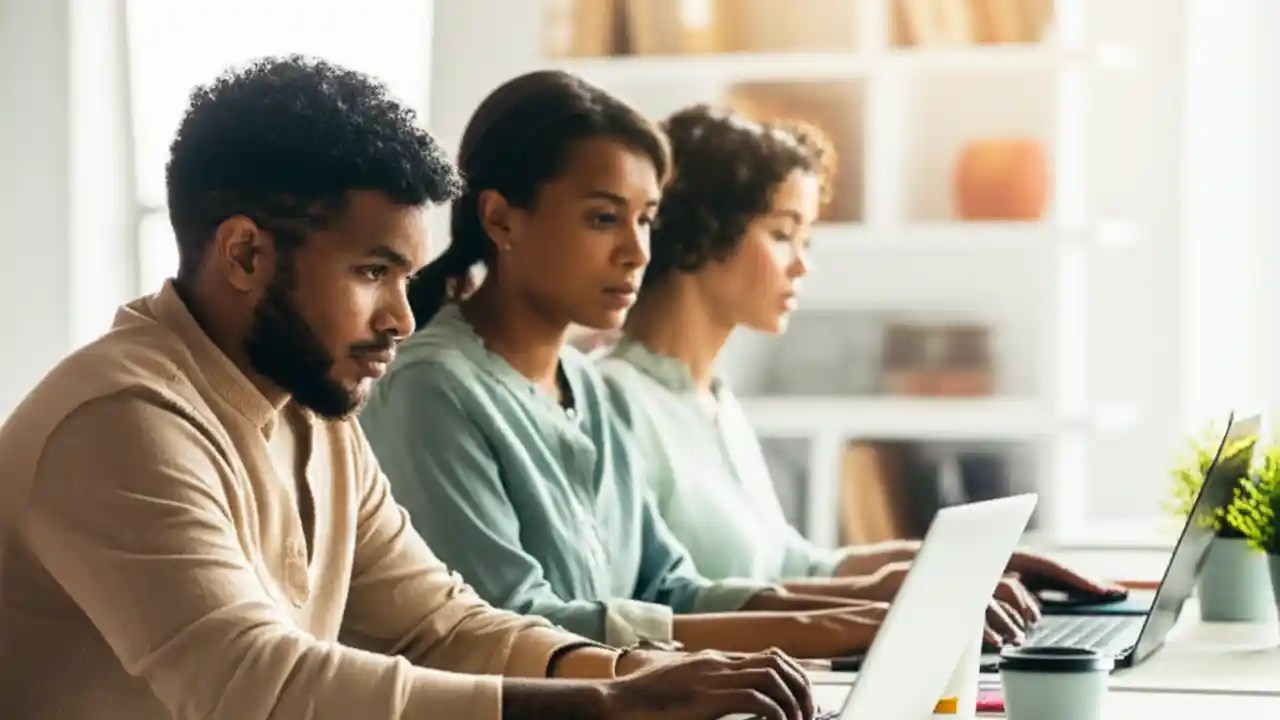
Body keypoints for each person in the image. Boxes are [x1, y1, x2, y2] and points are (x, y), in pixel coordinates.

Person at [0, 57, 818, 720]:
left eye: (405, 275)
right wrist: (603, 702)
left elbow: (438, 624)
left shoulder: (311, 411)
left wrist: (634, 671)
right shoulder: (121, 422)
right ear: (245, 255)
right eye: (370, 273)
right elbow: (260, 687)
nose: (400, 315)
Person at [359, 70, 889, 661]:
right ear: (501, 219)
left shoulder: (587, 385)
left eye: (645, 219)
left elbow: (669, 587)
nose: (636, 252)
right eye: (604, 218)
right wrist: (816, 631)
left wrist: (863, 611)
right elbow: (511, 624)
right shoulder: (432, 389)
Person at [598, 104, 1127, 646]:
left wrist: (955, 563)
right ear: (704, 231)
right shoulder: (612, 403)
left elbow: (788, 563)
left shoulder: (711, 399)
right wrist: (881, 598)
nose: (802, 266)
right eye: (783, 235)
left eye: (806, 242)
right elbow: (655, 607)